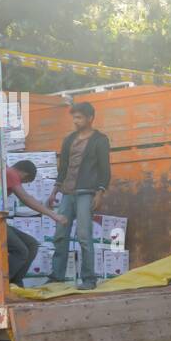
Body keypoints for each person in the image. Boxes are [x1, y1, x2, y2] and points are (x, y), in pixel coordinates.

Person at [45, 102, 110, 290]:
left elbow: (105, 169)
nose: (76, 121)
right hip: (67, 194)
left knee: (84, 236)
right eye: (74, 117)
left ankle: (89, 279)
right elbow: (63, 168)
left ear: (90, 118)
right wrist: (54, 191)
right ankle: (56, 277)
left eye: (79, 117)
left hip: (86, 194)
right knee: (60, 236)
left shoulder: (100, 140)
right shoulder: (69, 139)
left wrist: (100, 192)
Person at [4, 160, 68, 287]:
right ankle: (3, 284)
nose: (21, 183)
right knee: (21, 251)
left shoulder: (7, 171)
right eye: (24, 181)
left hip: (0, 222)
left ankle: (15, 283)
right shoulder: (11, 173)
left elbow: (27, 197)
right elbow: (26, 198)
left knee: (32, 245)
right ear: (24, 174)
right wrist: (54, 215)